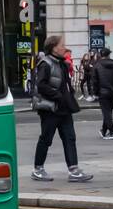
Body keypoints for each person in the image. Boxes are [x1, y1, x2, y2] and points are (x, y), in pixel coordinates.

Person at [31, 34, 93, 184]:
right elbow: (41, 85)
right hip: (51, 109)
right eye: (62, 45)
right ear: (53, 48)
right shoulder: (45, 64)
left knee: (70, 138)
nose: (65, 48)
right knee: (46, 139)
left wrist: (69, 95)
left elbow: (65, 85)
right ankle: (38, 169)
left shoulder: (62, 63)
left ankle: (74, 170)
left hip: (64, 108)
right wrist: (58, 96)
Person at [94, 47, 113, 140]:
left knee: (106, 112)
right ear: (109, 55)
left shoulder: (97, 65)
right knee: (108, 112)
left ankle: (112, 132)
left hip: (102, 92)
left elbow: (94, 80)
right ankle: (104, 130)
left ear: (101, 55)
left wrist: (95, 92)